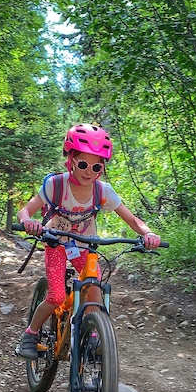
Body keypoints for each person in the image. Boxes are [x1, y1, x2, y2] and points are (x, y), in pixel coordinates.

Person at [15, 123, 161, 360]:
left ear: (102, 168)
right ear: (71, 160)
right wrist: (28, 222)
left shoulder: (103, 191)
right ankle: (30, 334)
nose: (89, 172)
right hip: (56, 243)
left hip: (84, 245)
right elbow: (25, 211)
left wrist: (148, 233)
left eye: (97, 167)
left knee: (95, 289)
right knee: (56, 296)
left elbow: (132, 219)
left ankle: (93, 335)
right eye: (83, 164)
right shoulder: (56, 185)